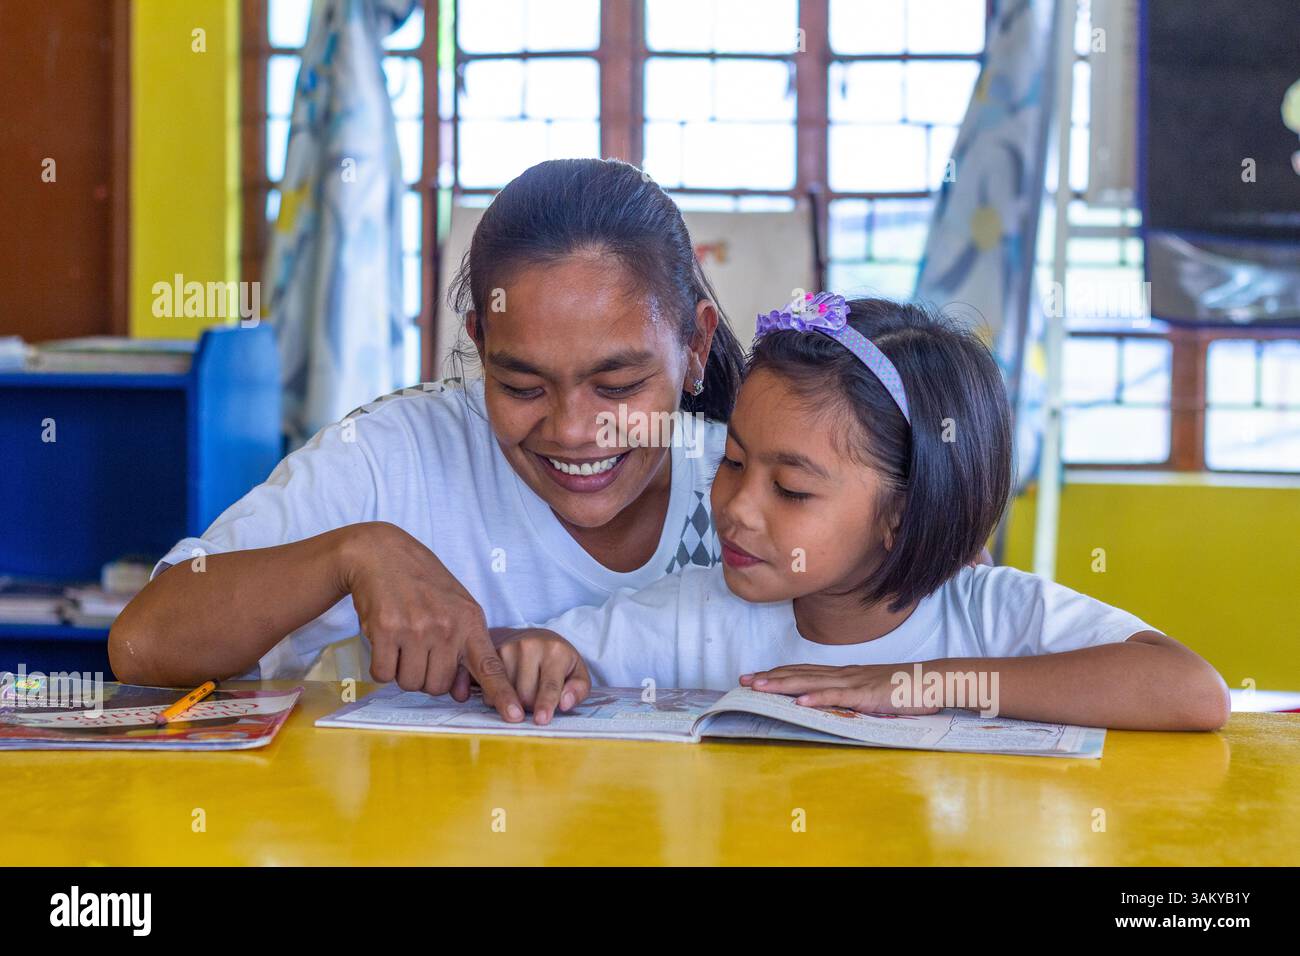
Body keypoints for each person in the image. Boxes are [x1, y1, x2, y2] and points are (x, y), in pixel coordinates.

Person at [109, 158, 745, 724]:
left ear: (695, 346)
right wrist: (351, 555)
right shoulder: (398, 455)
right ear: (480, 341)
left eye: (617, 385)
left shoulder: (753, 489)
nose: (574, 431)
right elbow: (142, 644)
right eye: (521, 386)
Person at [490, 296, 1232, 732]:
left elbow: (1192, 691)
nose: (737, 509)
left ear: (902, 518)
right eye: (735, 463)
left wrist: (924, 682)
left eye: (793, 490)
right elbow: (536, 661)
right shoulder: (696, 613)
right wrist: (537, 659)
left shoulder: (987, 615)